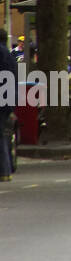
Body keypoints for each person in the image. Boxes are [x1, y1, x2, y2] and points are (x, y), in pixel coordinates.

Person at [1, 29, 17, 181]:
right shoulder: (11, 56)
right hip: (8, 100)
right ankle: (6, 169)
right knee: (5, 136)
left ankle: (4, 170)